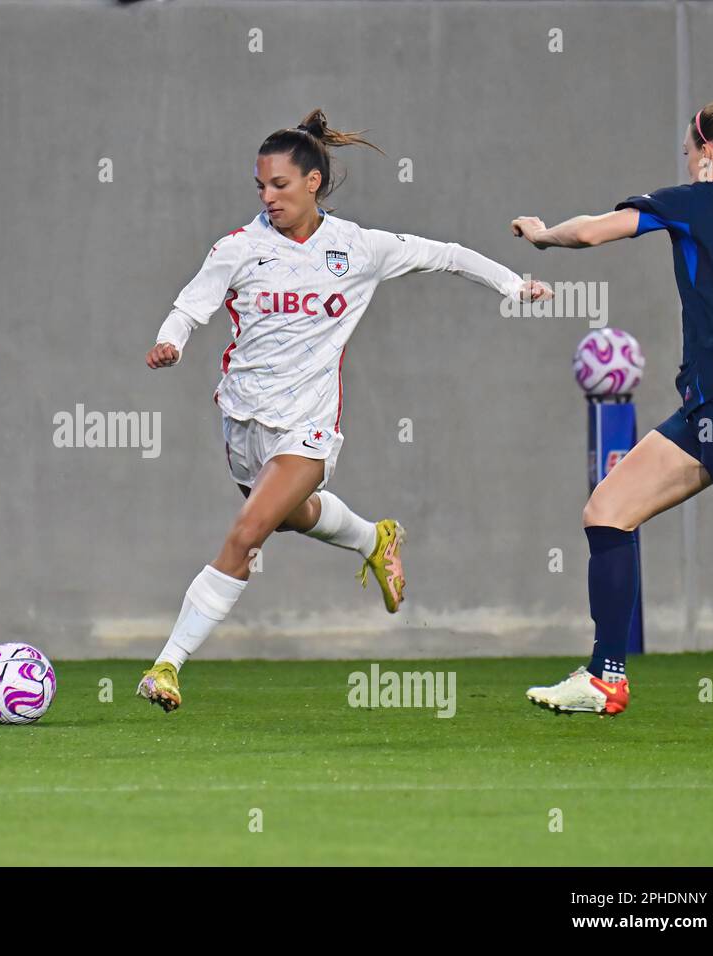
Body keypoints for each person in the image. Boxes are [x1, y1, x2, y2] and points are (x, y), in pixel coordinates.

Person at [137, 108, 551, 713]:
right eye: (260, 186)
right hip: (244, 417)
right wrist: (171, 339)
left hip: (309, 425)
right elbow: (190, 306)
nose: (268, 196)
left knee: (248, 533)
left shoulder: (358, 248)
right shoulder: (238, 248)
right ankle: (372, 538)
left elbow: (449, 254)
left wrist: (515, 287)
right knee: (284, 517)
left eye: (279, 184)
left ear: (313, 183)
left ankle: (168, 665)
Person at [516, 100, 713, 715]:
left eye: (687, 146)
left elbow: (594, 230)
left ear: (707, 154)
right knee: (608, 511)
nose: (683, 154)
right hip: (710, 407)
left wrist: (544, 235)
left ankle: (606, 677)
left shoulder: (697, 200)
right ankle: (606, 677)